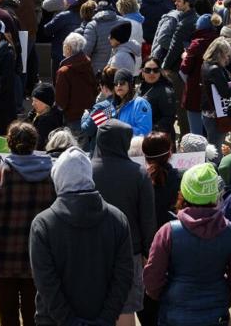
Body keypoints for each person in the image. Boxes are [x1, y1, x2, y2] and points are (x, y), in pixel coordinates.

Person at [30, 147, 134, 326]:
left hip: (54, 321)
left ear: (57, 178)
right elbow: (123, 277)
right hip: (101, 319)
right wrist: (106, 318)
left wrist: (69, 321)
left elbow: (45, 282)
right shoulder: (118, 219)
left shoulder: (43, 223)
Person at [142, 162, 231, 326]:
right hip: (216, 316)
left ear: (184, 192)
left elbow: (152, 283)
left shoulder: (167, 232)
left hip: (174, 317)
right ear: (215, 194)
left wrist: (170, 296)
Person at [0, 122, 56, 326]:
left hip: (3, 257)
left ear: (9, 143)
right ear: (35, 143)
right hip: (38, 256)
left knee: (7, 314)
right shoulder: (51, 175)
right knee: (34, 314)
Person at [92, 120, 156, 325]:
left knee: (94, 306)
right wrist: (148, 253)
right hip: (130, 251)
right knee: (126, 306)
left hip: (92, 249)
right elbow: (147, 219)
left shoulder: (87, 170)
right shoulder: (139, 173)